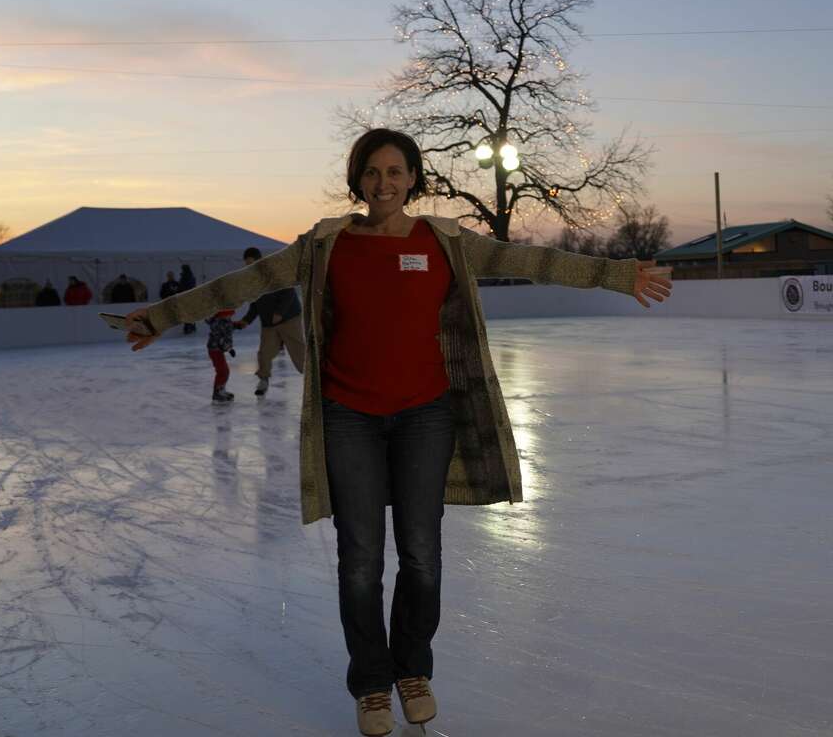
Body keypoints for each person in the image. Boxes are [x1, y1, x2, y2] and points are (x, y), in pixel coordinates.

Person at [124, 127, 673, 737]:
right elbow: (244, 285)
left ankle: (413, 671)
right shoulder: (325, 245)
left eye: (394, 172)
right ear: (356, 180)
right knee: (360, 560)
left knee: (422, 554)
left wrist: (618, 274)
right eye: (371, 172)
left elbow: (531, 260)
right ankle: (371, 685)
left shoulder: (445, 240)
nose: (382, 183)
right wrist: (163, 315)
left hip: (425, 415)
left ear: (413, 177)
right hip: (349, 415)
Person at [236, 246, 305, 396]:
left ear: (259, 260)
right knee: (264, 353)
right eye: (247, 264)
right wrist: (246, 320)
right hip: (269, 323)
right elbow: (255, 305)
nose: (249, 267)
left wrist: (280, 312)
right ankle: (263, 380)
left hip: (289, 318)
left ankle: (314, 378)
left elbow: (289, 291)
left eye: (252, 263)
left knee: (298, 350)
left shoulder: (274, 272)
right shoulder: (252, 281)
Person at [204, 308, 240, 403]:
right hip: (215, 350)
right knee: (223, 372)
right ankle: (217, 393)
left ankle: (221, 391)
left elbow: (227, 328)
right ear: (223, 314)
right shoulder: (221, 323)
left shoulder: (222, 321)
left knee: (224, 371)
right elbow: (222, 339)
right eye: (229, 315)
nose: (230, 316)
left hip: (216, 349)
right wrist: (229, 349)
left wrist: (235, 325)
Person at [178, 264, 197, 334]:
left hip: (185, 297)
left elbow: (181, 287)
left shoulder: (184, 277)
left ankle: (188, 327)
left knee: (186, 313)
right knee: (190, 313)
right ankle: (192, 326)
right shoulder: (192, 277)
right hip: (191, 297)